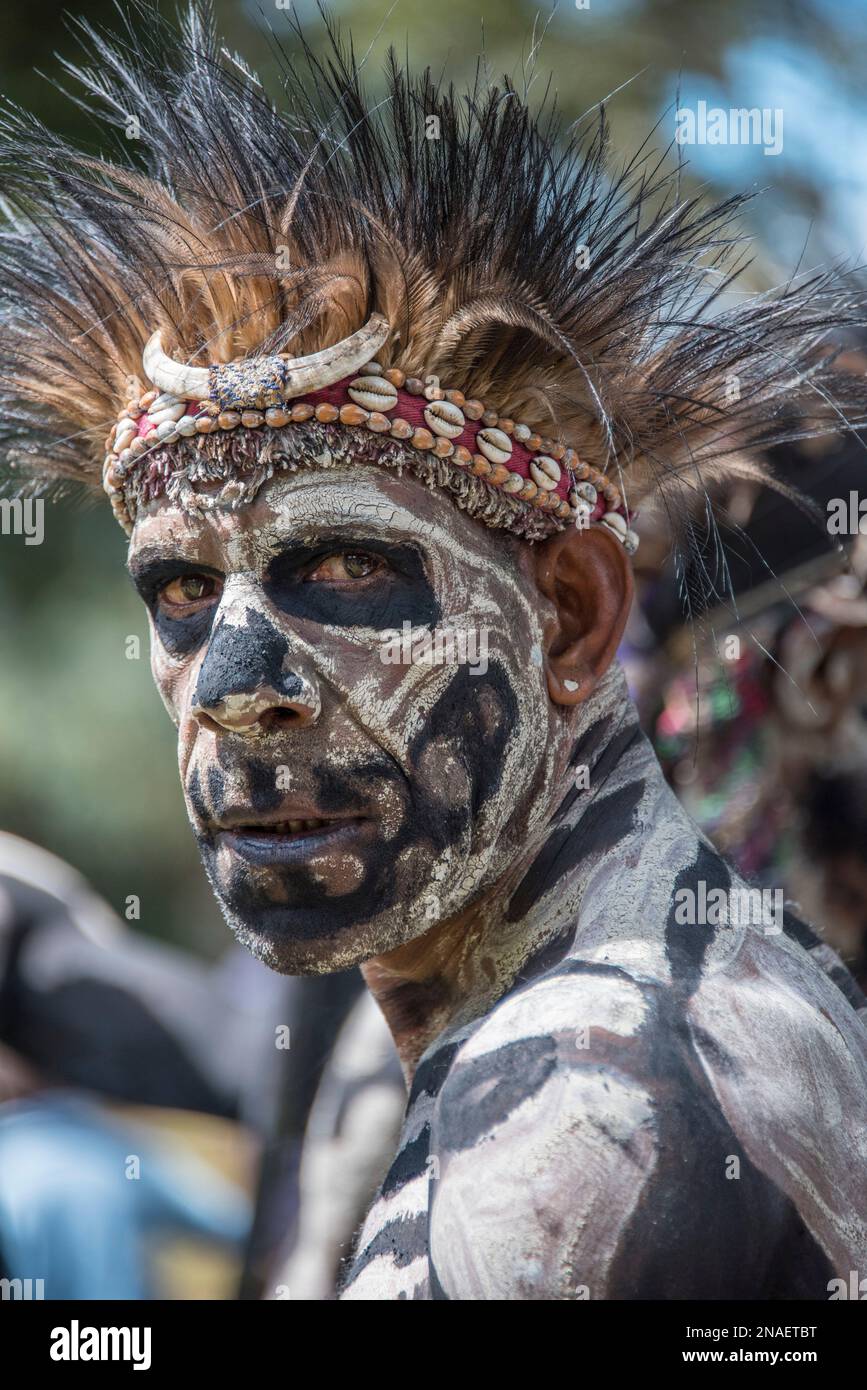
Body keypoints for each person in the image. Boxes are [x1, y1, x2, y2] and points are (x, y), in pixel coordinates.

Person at [1, 2, 865, 1300]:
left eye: (346, 569)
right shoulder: (519, 1000)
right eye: (182, 588)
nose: (239, 698)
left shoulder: (582, 1116)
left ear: (571, 613)